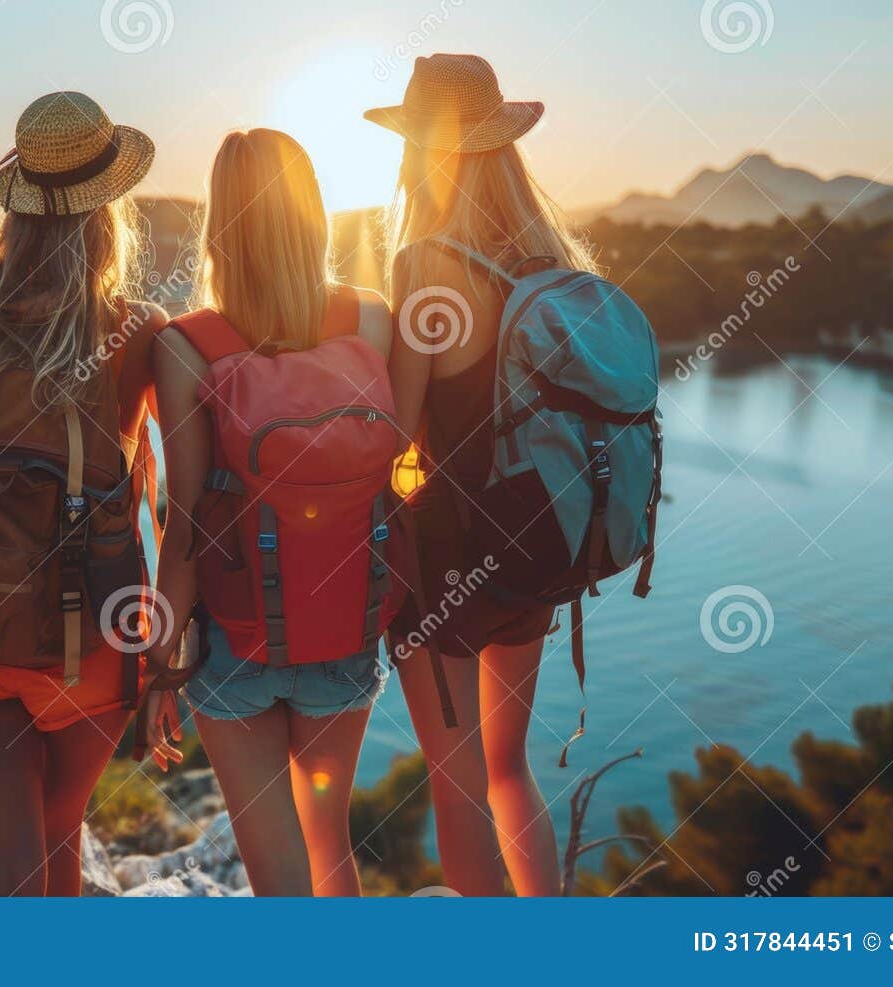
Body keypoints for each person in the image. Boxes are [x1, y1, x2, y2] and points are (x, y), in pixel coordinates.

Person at [0, 91, 177, 896]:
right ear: (107, 217)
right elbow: (190, 499)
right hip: (95, 647)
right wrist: (171, 653)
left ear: (18, 210)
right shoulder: (139, 331)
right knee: (59, 838)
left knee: (9, 873)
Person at [367, 53, 600, 896]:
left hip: (448, 560)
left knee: (457, 788)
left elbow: (397, 431)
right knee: (509, 768)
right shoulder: (550, 260)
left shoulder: (425, 262)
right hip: (540, 543)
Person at [144, 128, 396, 897]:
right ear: (312, 215)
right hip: (346, 629)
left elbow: (184, 523)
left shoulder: (188, 344)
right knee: (330, 845)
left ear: (221, 225)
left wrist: (161, 663)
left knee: (274, 864)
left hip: (234, 643)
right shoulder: (371, 320)